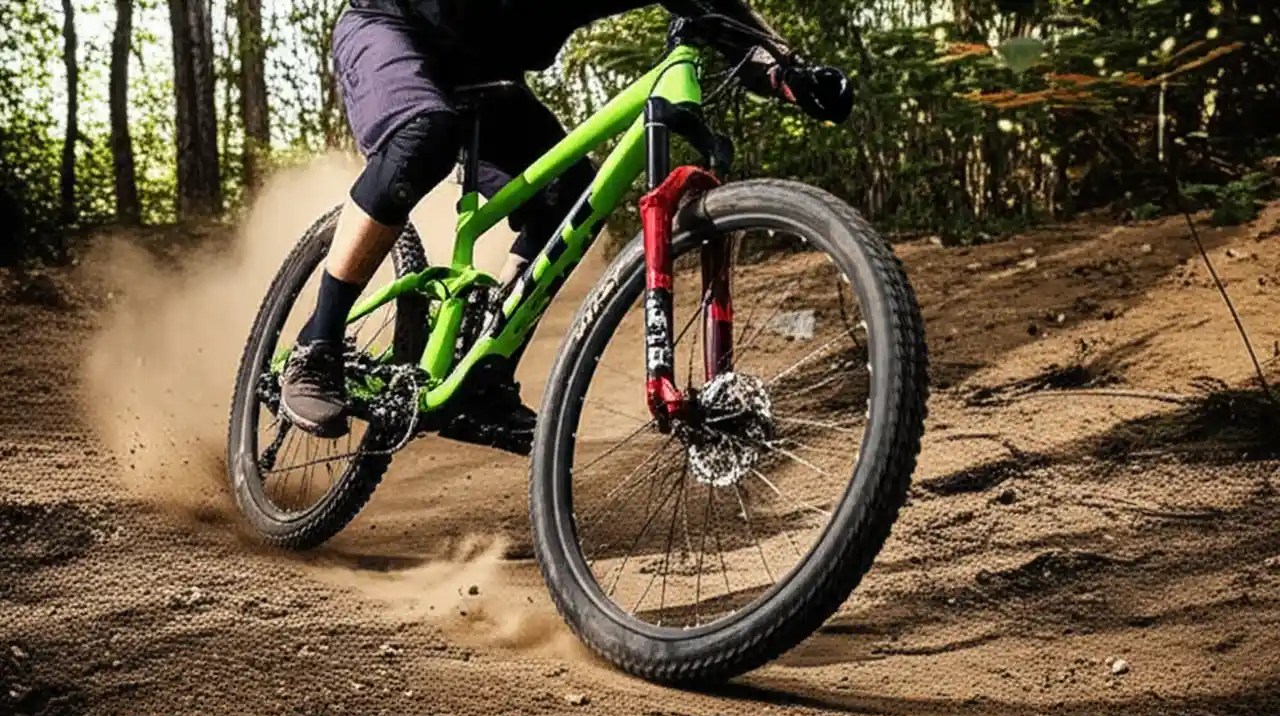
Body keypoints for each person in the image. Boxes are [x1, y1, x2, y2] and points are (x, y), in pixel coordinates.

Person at [279, 0, 852, 440]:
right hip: (390, 27)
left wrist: (791, 76)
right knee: (422, 136)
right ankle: (317, 345)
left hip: (486, 75)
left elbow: (724, 19)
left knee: (569, 193)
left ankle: (484, 367)